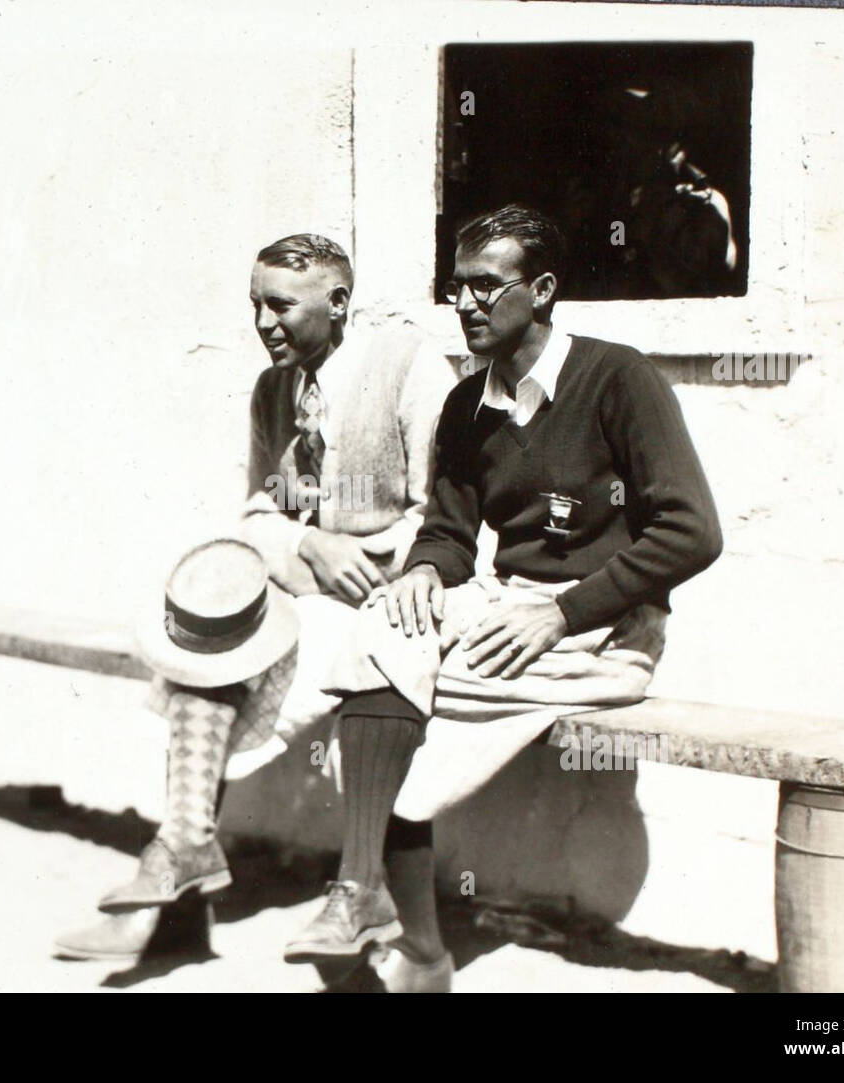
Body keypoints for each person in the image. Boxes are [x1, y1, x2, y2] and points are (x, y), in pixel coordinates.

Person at [288, 205, 723, 991]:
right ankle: (367, 899)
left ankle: (410, 942)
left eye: (487, 287)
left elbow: (692, 532)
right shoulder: (466, 405)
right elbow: (450, 534)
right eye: (458, 288)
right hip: (504, 603)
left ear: (544, 289)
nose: (466, 305)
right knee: (381, 628)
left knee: (389, 712)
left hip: (604, 624)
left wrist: (561, 611)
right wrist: (423, 569)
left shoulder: (618, 379)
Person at [53, 235, 456, 975]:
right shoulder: (276, 389)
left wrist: (358, 556)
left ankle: (192, 867)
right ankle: (182, 863)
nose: (264, 322)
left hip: (395, 593)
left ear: (338, 302)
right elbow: (258, 514)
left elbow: (446, 512)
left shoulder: (408, 366)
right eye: (254, 306)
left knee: (235, 679)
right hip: (314, 588)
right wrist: (309, 547)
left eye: (280, 305)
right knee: (193, 657)